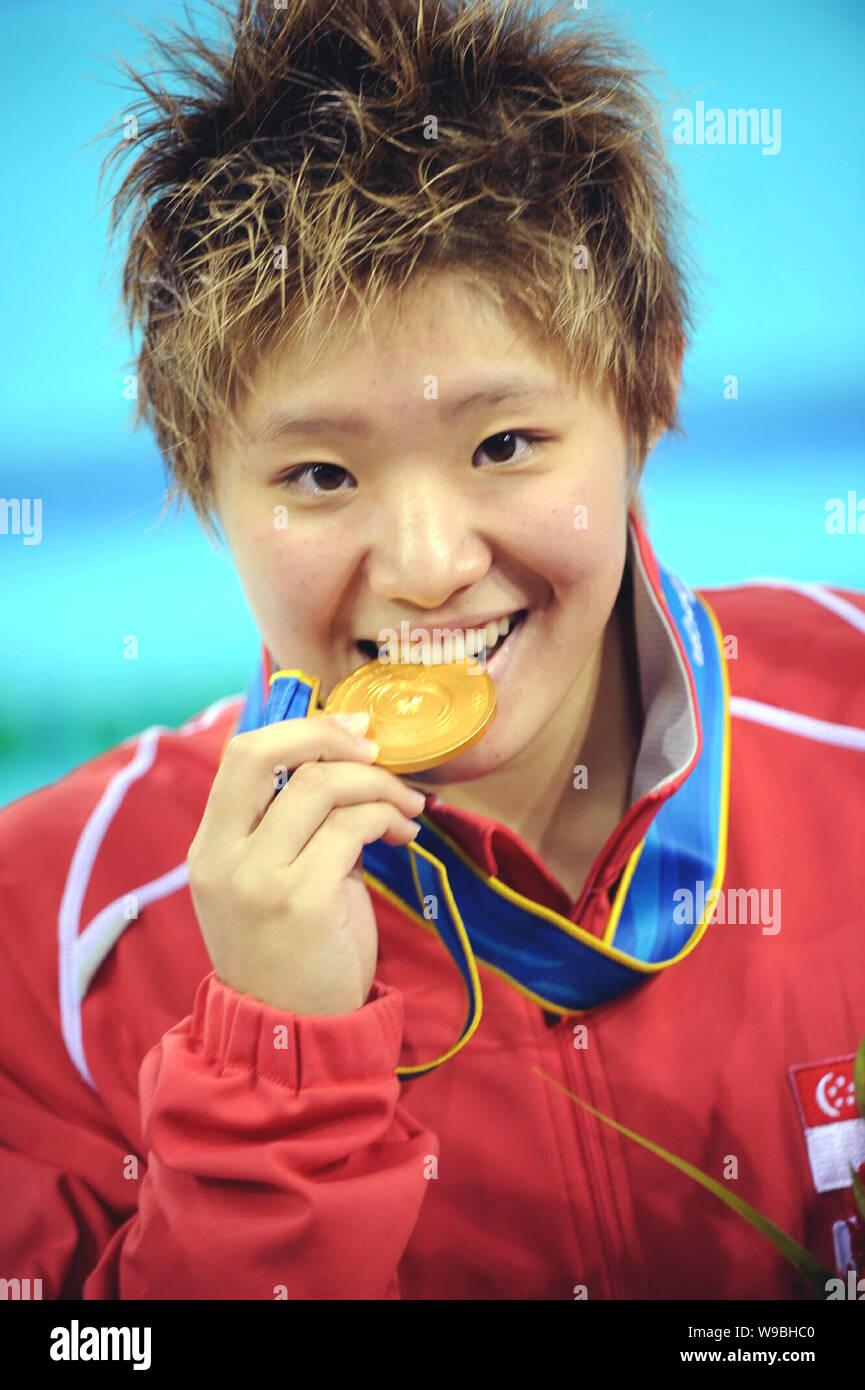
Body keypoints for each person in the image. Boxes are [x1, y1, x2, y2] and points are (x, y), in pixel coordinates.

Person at [1, 0, 863, 1302]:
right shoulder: (49, 928)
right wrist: (270, 1067)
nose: (422, 562)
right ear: (201, 483)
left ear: (649, 389)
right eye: (320, 471)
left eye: (503, 444)